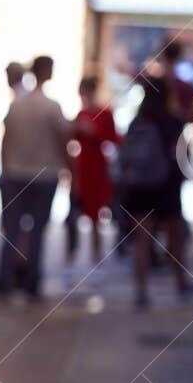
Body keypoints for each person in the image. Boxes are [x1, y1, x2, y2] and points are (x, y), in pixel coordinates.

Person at [0, 55, 71, 302]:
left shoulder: (17, 105)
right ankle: (31, 284)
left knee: (12, 232)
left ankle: (4, 283)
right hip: (43, 177)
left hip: (15, 175)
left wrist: (5, 169)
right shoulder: (51, 107)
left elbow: (5, 141)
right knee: (37, 233)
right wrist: (70, 171)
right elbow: (63, 142)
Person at [118, 75, 193, 309]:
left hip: (140, 187)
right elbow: (184, 156)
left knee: (142, 240)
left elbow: (126, 156)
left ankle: (141, 290)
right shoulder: (175, 122)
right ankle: (180, 282)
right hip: (167, 186)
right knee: (175, 236)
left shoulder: (137, 122)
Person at [64, 75, 119, 266]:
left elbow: (114, 138)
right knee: (73, 215)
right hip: (81, 169)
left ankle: (97, 255)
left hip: (97, 168)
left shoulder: (104, 113)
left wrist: (93, 132)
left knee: (96, 214)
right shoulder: (80, 114)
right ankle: (71, 255)